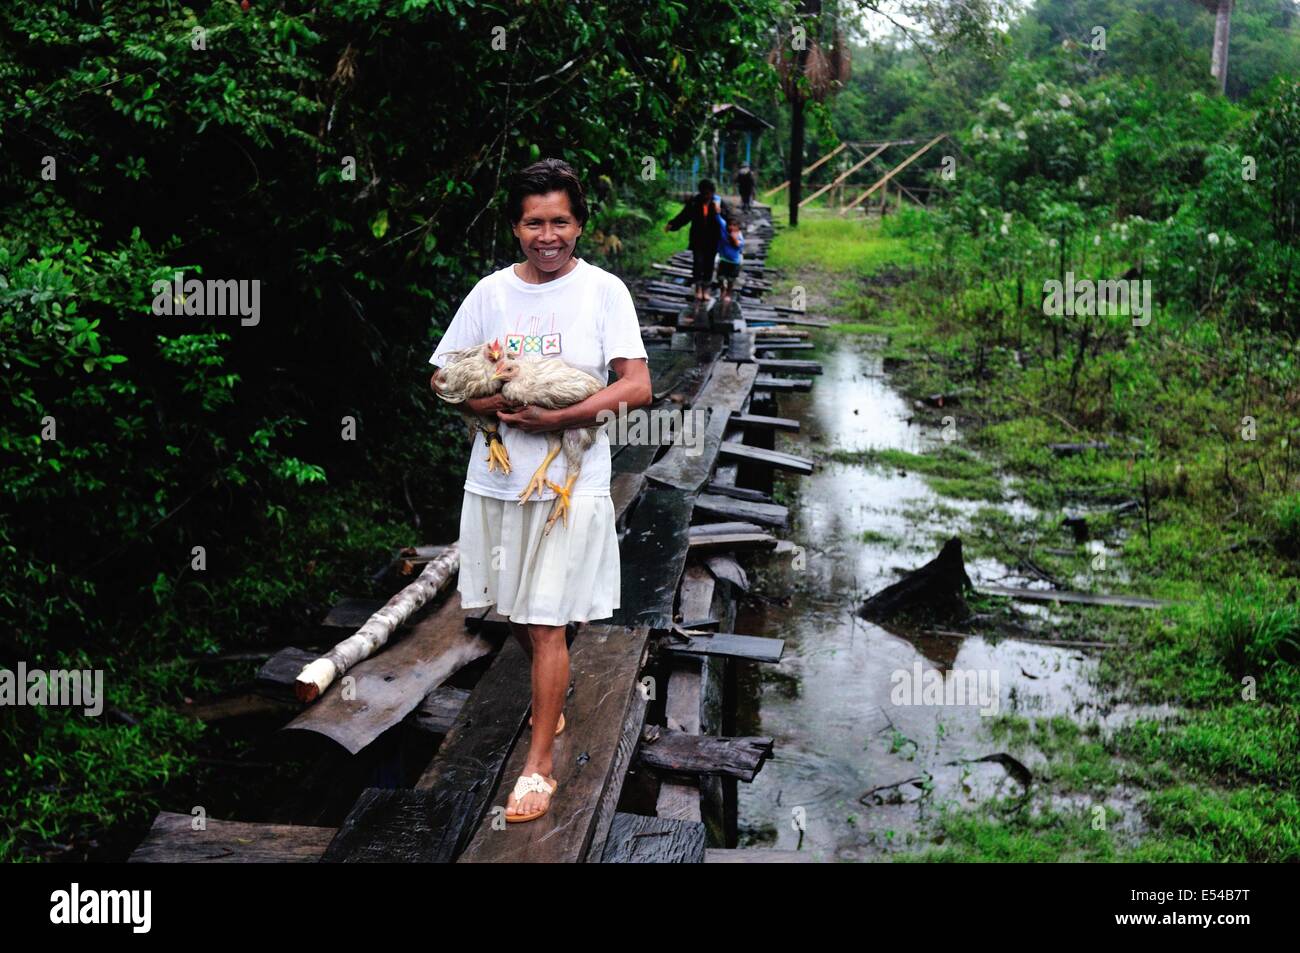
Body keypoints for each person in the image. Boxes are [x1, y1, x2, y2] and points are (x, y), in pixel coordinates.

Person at [428, 158, 652, 824]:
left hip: (573, 474)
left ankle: (538, 766)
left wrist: (556, 418)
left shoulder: (604, 291)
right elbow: (441, 376)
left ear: (579, 224)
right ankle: (553, 690)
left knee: (549, 620)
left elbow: (635, 385)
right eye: (534, 222)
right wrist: (487, 399)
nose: (547, 235)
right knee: (519, 614)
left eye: (560, 221)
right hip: (497, 478)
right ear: (516, 227)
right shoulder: (491, 293)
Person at [664, 179, 723, 303]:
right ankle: (698, 289)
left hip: (713, 239)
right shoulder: (694, 202)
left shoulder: (718, 203)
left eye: (709, 194)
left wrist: (721, 213)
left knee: (709, 264)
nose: (707, 196)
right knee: (698, 263)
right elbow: (684, 216)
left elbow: (728, 220)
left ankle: (706, 289)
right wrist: (672, 224)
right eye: (704, 193)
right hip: (698, 238)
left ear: (712, 193)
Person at [715, 209, 745, 305]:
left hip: (734, 262)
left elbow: (737, 245)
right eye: (730, 225)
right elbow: (718, 218)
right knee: (720, 277)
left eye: (734, 226)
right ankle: (722, 289)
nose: (731, 227)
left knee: (731, 280)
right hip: (723, 259)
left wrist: (733, 237)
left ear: (738, 228)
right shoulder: (724, 228)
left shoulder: (739, 236)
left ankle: (728, 293)